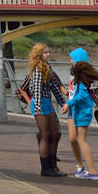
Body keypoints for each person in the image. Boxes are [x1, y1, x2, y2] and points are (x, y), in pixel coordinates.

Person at [25, 41, 67, 176]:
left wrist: (63, 103)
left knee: (55, 134)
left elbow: (55, 87)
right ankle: (46, 168)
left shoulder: (48, 68)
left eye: (49, 52)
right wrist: (37, 107)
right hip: (40, 103)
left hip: (47, 102)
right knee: (46, 135)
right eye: (46, 52)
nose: (48, 54)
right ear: (39, 55)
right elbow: (36, 90)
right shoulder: (37, 69)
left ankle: (53, 166)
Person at [69, 53, 98, 179]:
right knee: (77, 140)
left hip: (81, 111)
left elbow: (83, 95)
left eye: (72, 58)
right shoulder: (80, 75)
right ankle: (84, 168)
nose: (70, 60)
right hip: (77, 109)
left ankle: (92, 172)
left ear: (79, 60)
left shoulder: (83, 77)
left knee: (81, 140)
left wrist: (68, 103)